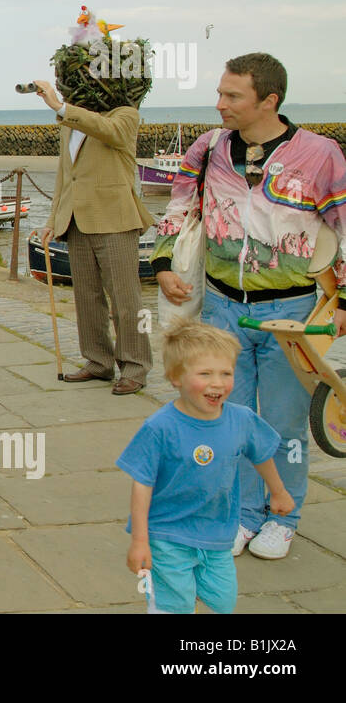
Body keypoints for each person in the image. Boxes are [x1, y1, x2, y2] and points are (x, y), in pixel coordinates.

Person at [154, 53, 346, 561]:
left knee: (283, 427)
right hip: (220, 312)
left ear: (269, 100)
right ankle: (240, 515)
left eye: (232, 96)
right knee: (228, 419)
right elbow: (178, 207)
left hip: (293, 316)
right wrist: (163, 263)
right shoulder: (209, 147)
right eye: (220, 93)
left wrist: (344, 300)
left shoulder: (320, 155)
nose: (220, 105)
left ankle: (284, 517)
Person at [118, 320, 292, 613]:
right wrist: (139, 541)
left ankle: (189, 588)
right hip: (167, 534)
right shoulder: (160, 428)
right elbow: (142, 483)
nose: (218, 383)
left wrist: (278, 492)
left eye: (226, 373)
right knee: (174, 605)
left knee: (223, 602)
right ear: (176, 377)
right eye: (205, 374)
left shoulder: (241, 419)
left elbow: (261, 453)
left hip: (218, 531)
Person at [31, 77, 155, 395]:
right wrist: (53, 219)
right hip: (76, 220)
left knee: (127, 301)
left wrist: (60, 106)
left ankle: (136, 366)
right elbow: (65, 175)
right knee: (87, 298)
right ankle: (98, 362)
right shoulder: (70, 123)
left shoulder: (125, 115)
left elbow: (108, 131)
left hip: (115, 220)